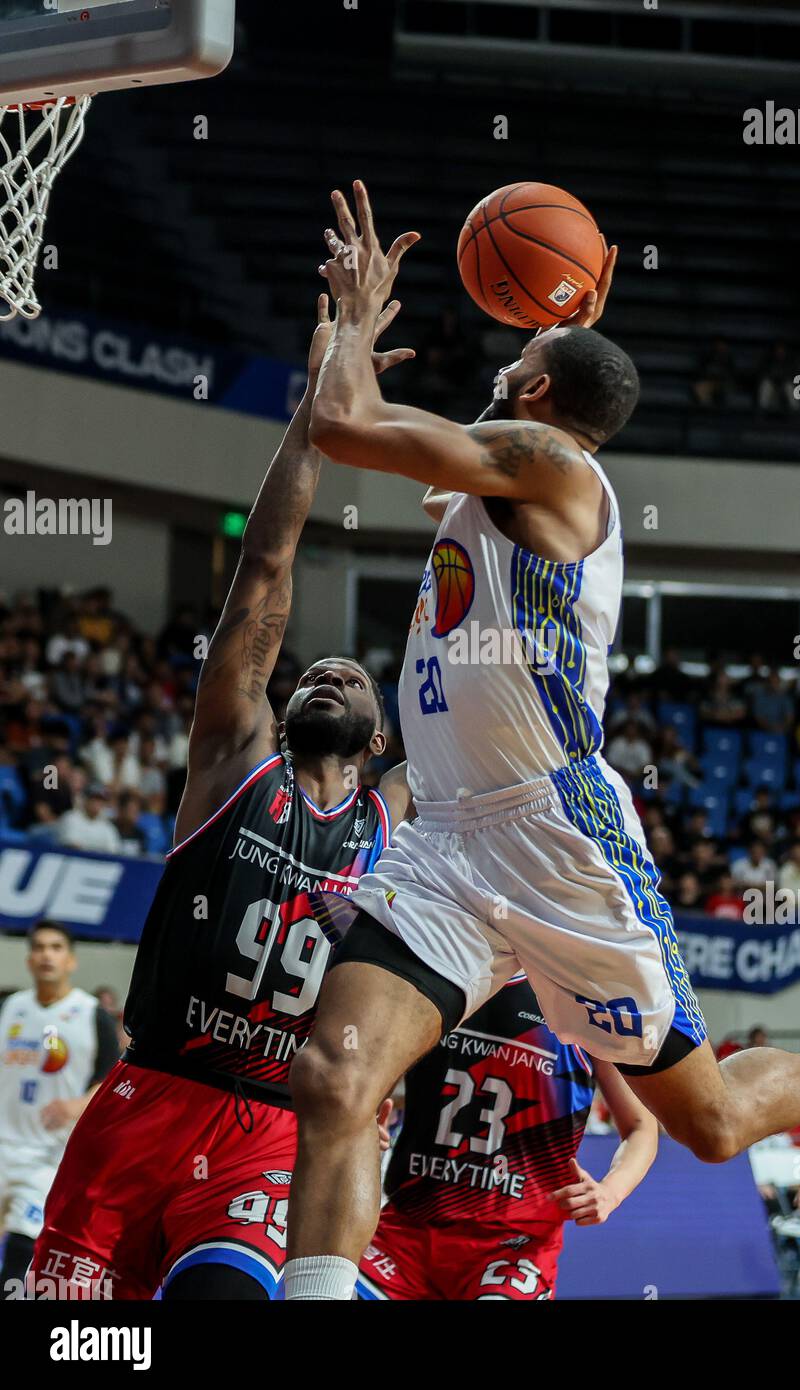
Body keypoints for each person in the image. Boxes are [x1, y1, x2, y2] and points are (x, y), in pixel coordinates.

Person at [284, 183, 800, 1302]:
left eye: (516, 366)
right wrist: (561, 318)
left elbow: (344, 424)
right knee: (333, 1075)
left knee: (709, 1123)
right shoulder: (499, 467)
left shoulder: (550, 465)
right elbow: (477, 417)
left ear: (536, 393)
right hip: (448, 843)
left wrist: (359, 317)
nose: (495, 371)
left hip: (556, 834)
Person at [32, 296, 417, 1303]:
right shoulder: (232, 757)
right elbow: (267, 563)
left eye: (352, 676)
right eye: (311, 671)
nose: (325, 672)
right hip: (144, 1098)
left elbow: (477, 696)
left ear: (379, 741)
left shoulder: (393, 817)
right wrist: (320, 402)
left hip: (271, 1125)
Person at [353, 972, 657, 1300]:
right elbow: (366, 1068)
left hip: (515, 1244)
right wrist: (364, 1117)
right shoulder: (437, 971)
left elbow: (641, 1125)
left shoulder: (585, 1001)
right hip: (405, 1234)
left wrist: (611, 1192)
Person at [0, 921, 119, 1291]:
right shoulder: (11, 1007)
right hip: (3, 1144)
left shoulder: (89, 1014)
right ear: (29, 958)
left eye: (55, 948)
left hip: (48, 1156)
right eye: (39, 947)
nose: (46, 955)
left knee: (19, 1258)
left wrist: (79, 1103)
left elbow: (112, 1080)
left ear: (71, 960)